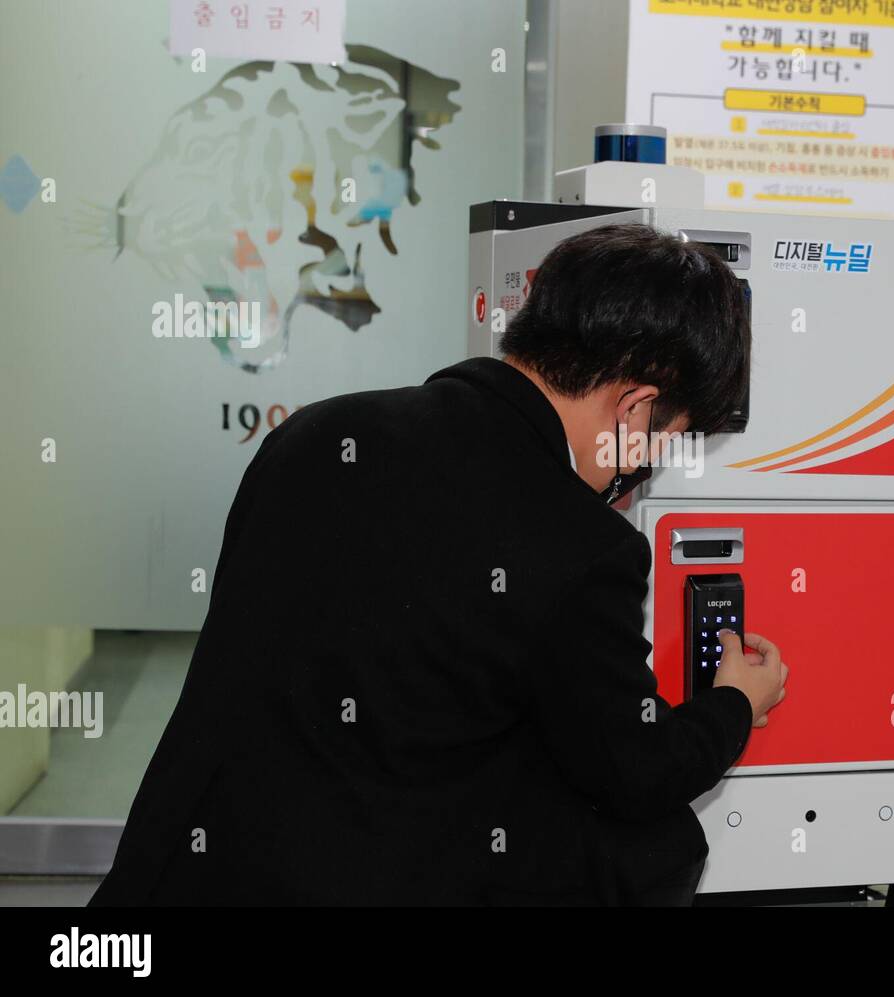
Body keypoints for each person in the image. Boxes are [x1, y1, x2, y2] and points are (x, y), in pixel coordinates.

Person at [90, 223, 787, 906]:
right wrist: (733, 702)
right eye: (667, 438)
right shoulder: (579, 544)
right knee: (658, 843)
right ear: (634, 407)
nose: (647, 464)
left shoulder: (319, 432)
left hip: (176, 871)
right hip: (359, 872)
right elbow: (636, 770)